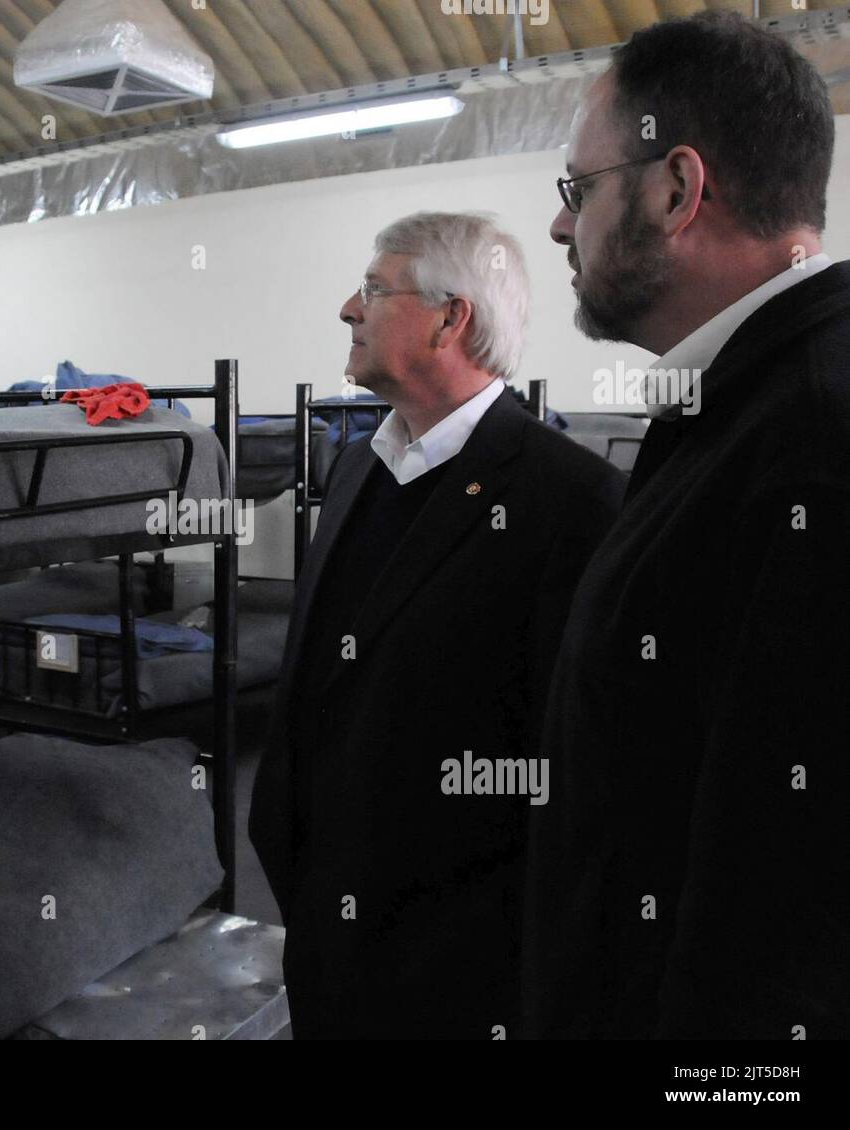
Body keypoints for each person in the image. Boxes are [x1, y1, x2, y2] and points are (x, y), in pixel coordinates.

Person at [525, 9, 850, 1038]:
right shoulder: (745, 402)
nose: (559, 226)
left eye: (578, 190)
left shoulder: (815, 437)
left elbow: (791, 935)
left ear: (675, 190)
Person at [249, 211, 624, 1038]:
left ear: (451, 318)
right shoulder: (355, 466)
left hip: (459, 967)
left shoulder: (570, 500)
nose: (349, 308)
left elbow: (571, 769)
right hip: (324, 931)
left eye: (376, 290)